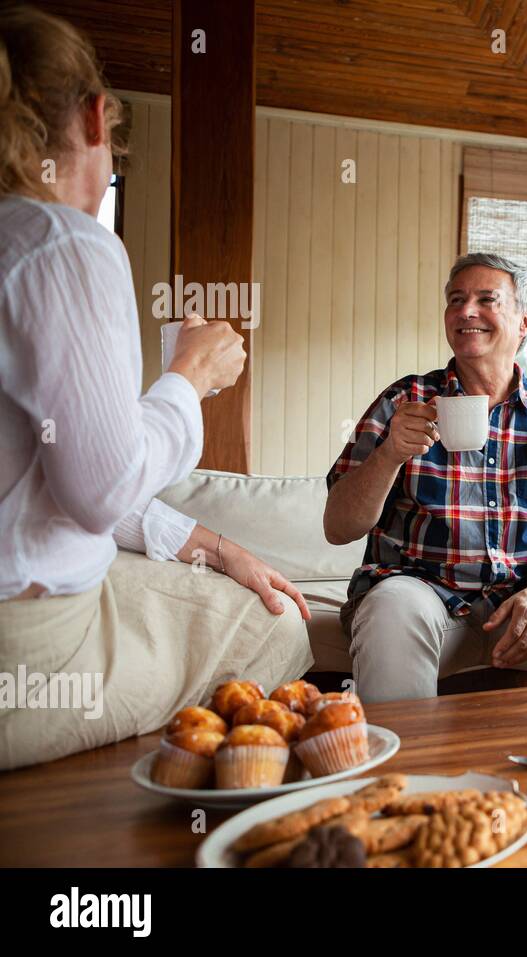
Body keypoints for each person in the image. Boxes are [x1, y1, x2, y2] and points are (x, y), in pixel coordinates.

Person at [0, 4, 313, 770]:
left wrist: (209, 543)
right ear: (97, 117)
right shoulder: (61, 243)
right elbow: (100, 489)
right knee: (282, 626)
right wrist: (190, 376)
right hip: (32, 656)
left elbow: (46, 478)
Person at [323, 252, 527, 711]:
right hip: (422, 596)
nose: (466, 310)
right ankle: (402, 778)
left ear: (525, 320)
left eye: (487, 299)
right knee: (392, 609)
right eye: (456, 300)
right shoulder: (404, 400)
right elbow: (338, 526)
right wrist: (389, 454)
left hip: (524, 602)